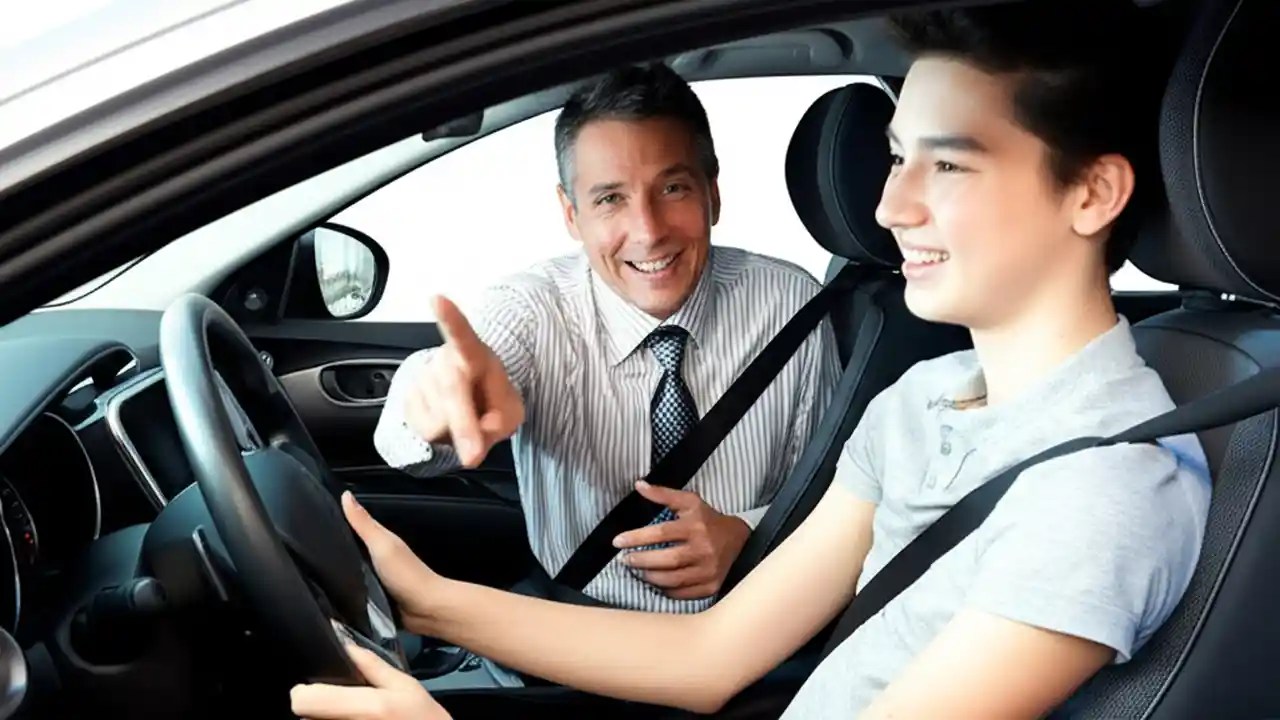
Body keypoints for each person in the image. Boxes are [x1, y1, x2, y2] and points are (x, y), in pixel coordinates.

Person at [292, 3, 1211, 718]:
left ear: (1091, 193)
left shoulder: (1104, 494)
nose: (891, 207)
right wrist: (432, 601)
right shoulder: (926, 396)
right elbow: (710, 658)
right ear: (571, 215)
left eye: (951, 166)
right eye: (897, 160)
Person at [370, 62, 841, 684]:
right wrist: (430, 403)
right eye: (611, 199)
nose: (647, 232)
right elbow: (420, 421)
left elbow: (834, 493)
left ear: (713, 194)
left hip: (754, 645)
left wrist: (748, 535)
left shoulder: (793, 305)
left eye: (672, 188)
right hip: (567, 647)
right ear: (571, 215)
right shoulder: (534, 309)